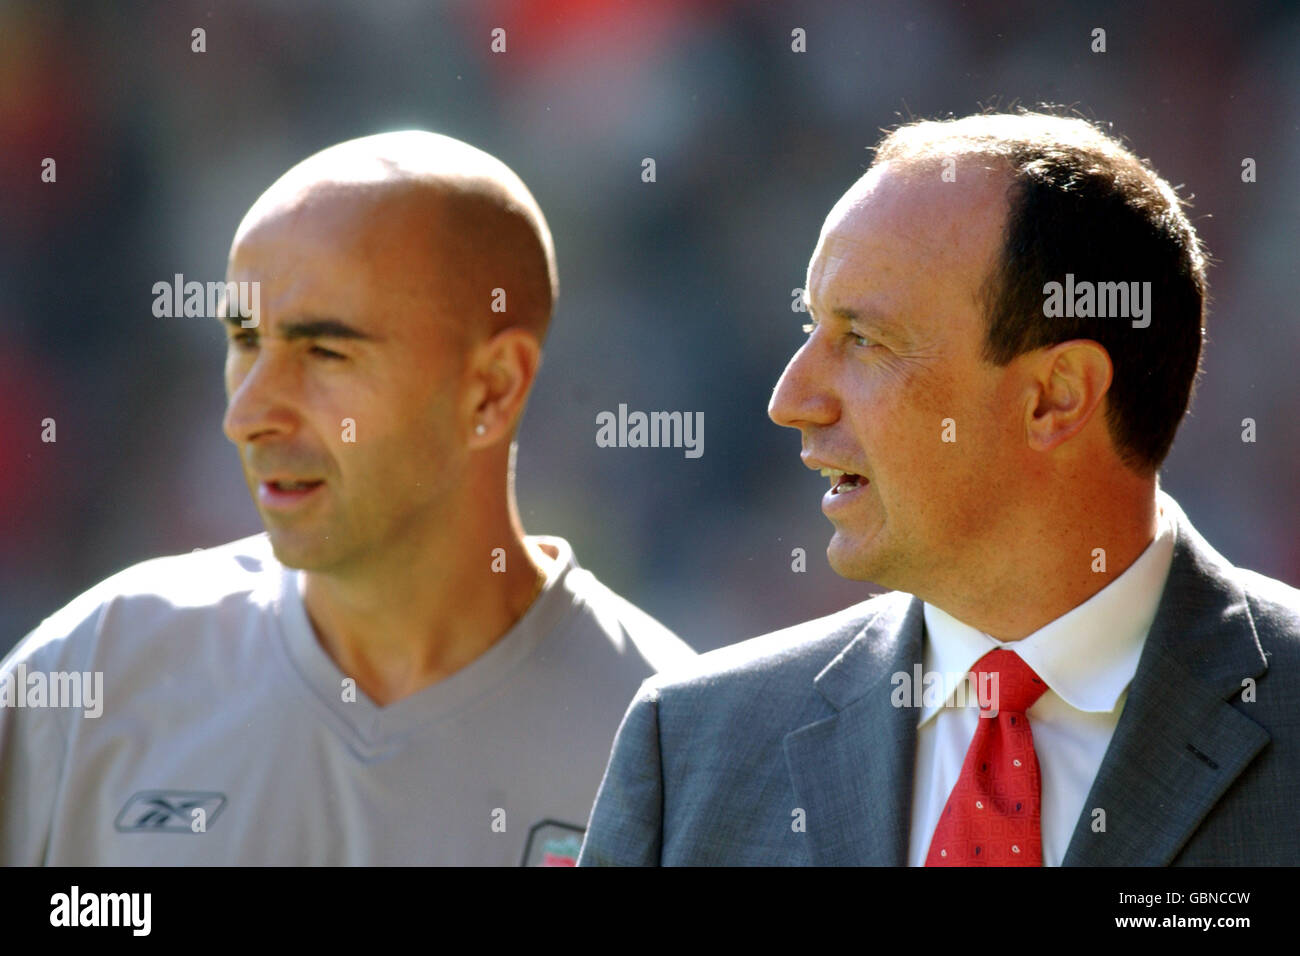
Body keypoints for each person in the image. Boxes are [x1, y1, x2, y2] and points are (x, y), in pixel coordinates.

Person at [577, 110, 1300, 866]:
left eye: (863, 339)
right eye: (812, 327)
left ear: (1056, 396)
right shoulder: (692, 749)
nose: (791, 400)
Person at [0, 131, 694, 865]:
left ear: (491, 387)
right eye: (245, 341)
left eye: (325, 353)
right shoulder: (91, 673)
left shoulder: (671, 744)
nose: (246, 414)